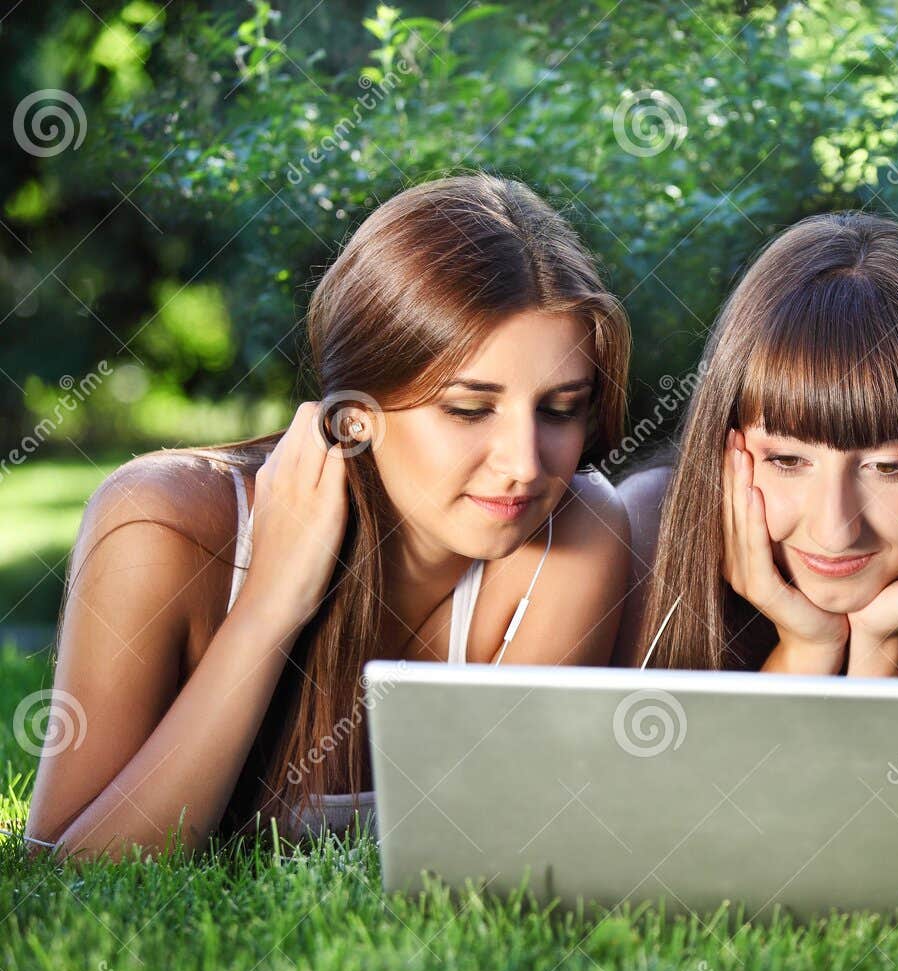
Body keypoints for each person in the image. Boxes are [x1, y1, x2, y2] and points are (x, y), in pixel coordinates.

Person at [25, 173, 633, 857]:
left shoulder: (578, 536)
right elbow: (68, 869)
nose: (525, 462)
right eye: (468, 409)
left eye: (560, 408)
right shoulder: (158, 523)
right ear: (356, 415)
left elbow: (495, 848)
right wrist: (270, 604)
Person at [635, 210, 898, 682]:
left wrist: (881, 647)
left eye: (888, 467)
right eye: (787, 460)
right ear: (724, 448)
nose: (836, 532)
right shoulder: (634, 540)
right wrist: (808, 649)